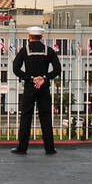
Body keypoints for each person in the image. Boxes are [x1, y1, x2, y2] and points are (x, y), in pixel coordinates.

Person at [12, 26, 61, 155]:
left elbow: (15, 68)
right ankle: (49, 148)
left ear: (29, 37)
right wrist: (45, 78)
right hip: (44, 88)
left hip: (30, 87)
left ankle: (22, 148)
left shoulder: (25, 51)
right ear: (41, 37)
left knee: (26, 117)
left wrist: (30, 78)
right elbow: (57, 69)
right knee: (45, 117)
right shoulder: (48, 51)